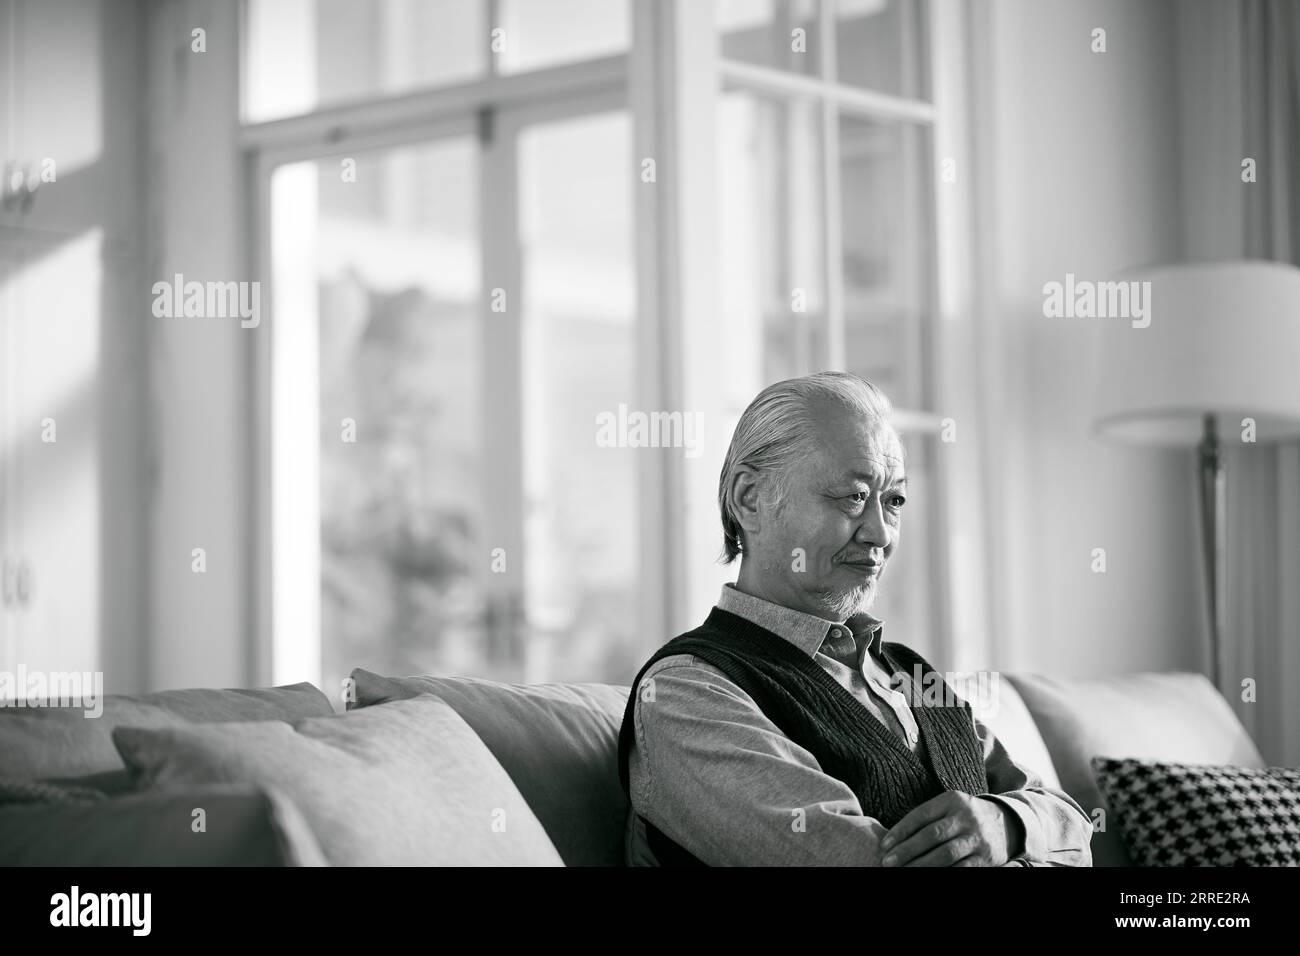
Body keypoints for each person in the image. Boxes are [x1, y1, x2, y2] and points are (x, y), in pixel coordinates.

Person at [617, 371, 1093, 866]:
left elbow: (1074, 828)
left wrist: (1006, 824)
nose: (881, 534)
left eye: (894, 501)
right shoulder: (688, 692)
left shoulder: (910, 675)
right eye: (853, 497)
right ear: (749, 499)